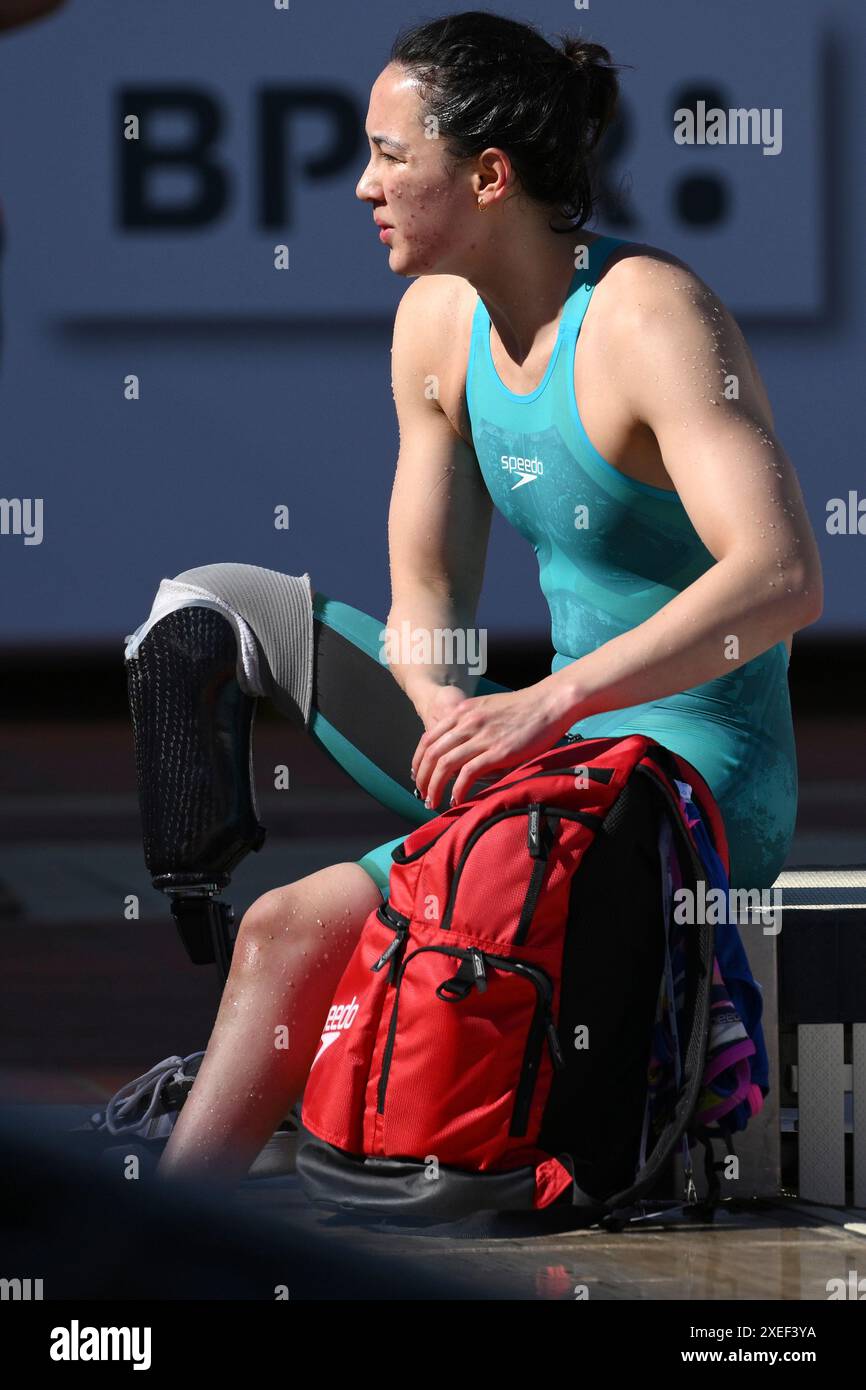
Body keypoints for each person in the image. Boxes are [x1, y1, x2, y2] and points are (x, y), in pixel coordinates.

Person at [154, 12, 822, 1185]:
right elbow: (427, 598)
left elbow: (779, 578)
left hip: (683, 776)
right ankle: (182, 1218)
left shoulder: (649, 315)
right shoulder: (433, 323)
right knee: (206, 605)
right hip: (545, 739)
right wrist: (448, 703)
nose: (361, 185)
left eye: (388, 155)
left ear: (488, 174)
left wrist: (543, 707)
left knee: (288, 928)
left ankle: (164, 1238)